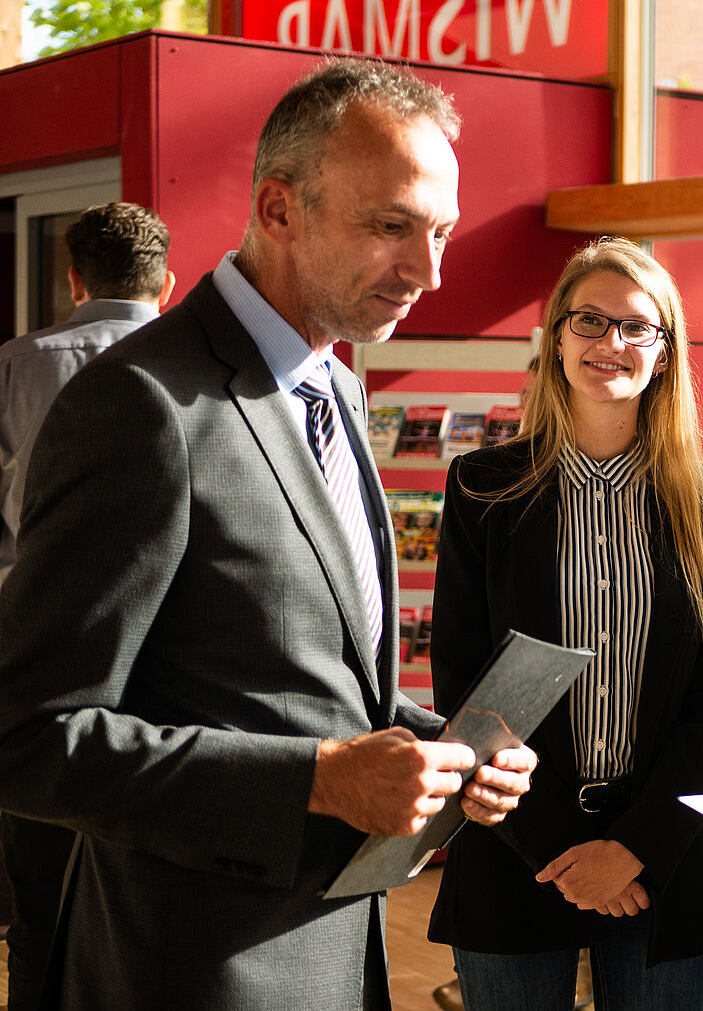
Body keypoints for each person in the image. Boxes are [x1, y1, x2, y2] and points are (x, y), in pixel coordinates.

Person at [0, 58, 536, 1010]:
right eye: (391, 226)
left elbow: (306, 684)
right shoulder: (143, 404)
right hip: (191, 972)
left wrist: (440, 748)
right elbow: (30, 737)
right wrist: (320, 782)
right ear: (280, 210)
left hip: (337, 953)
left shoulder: (332, 383)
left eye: (441, 231)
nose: (430, 271)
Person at [426, 236, 703, 1010]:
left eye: (638, 327)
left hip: (661, 858)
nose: (613, 343)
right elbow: (465, 681)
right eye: (591, 322)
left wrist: (634, 849)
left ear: (665, 354)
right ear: (557, 339)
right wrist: (563, 853)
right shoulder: (483, 488)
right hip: (518, 847)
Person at [0, 201, 175, 1011]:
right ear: (168, 283)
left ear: (74, 280)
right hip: (166, 667)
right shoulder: (193, 368)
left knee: (37, 888)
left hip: (29, 645)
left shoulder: (15, 364)